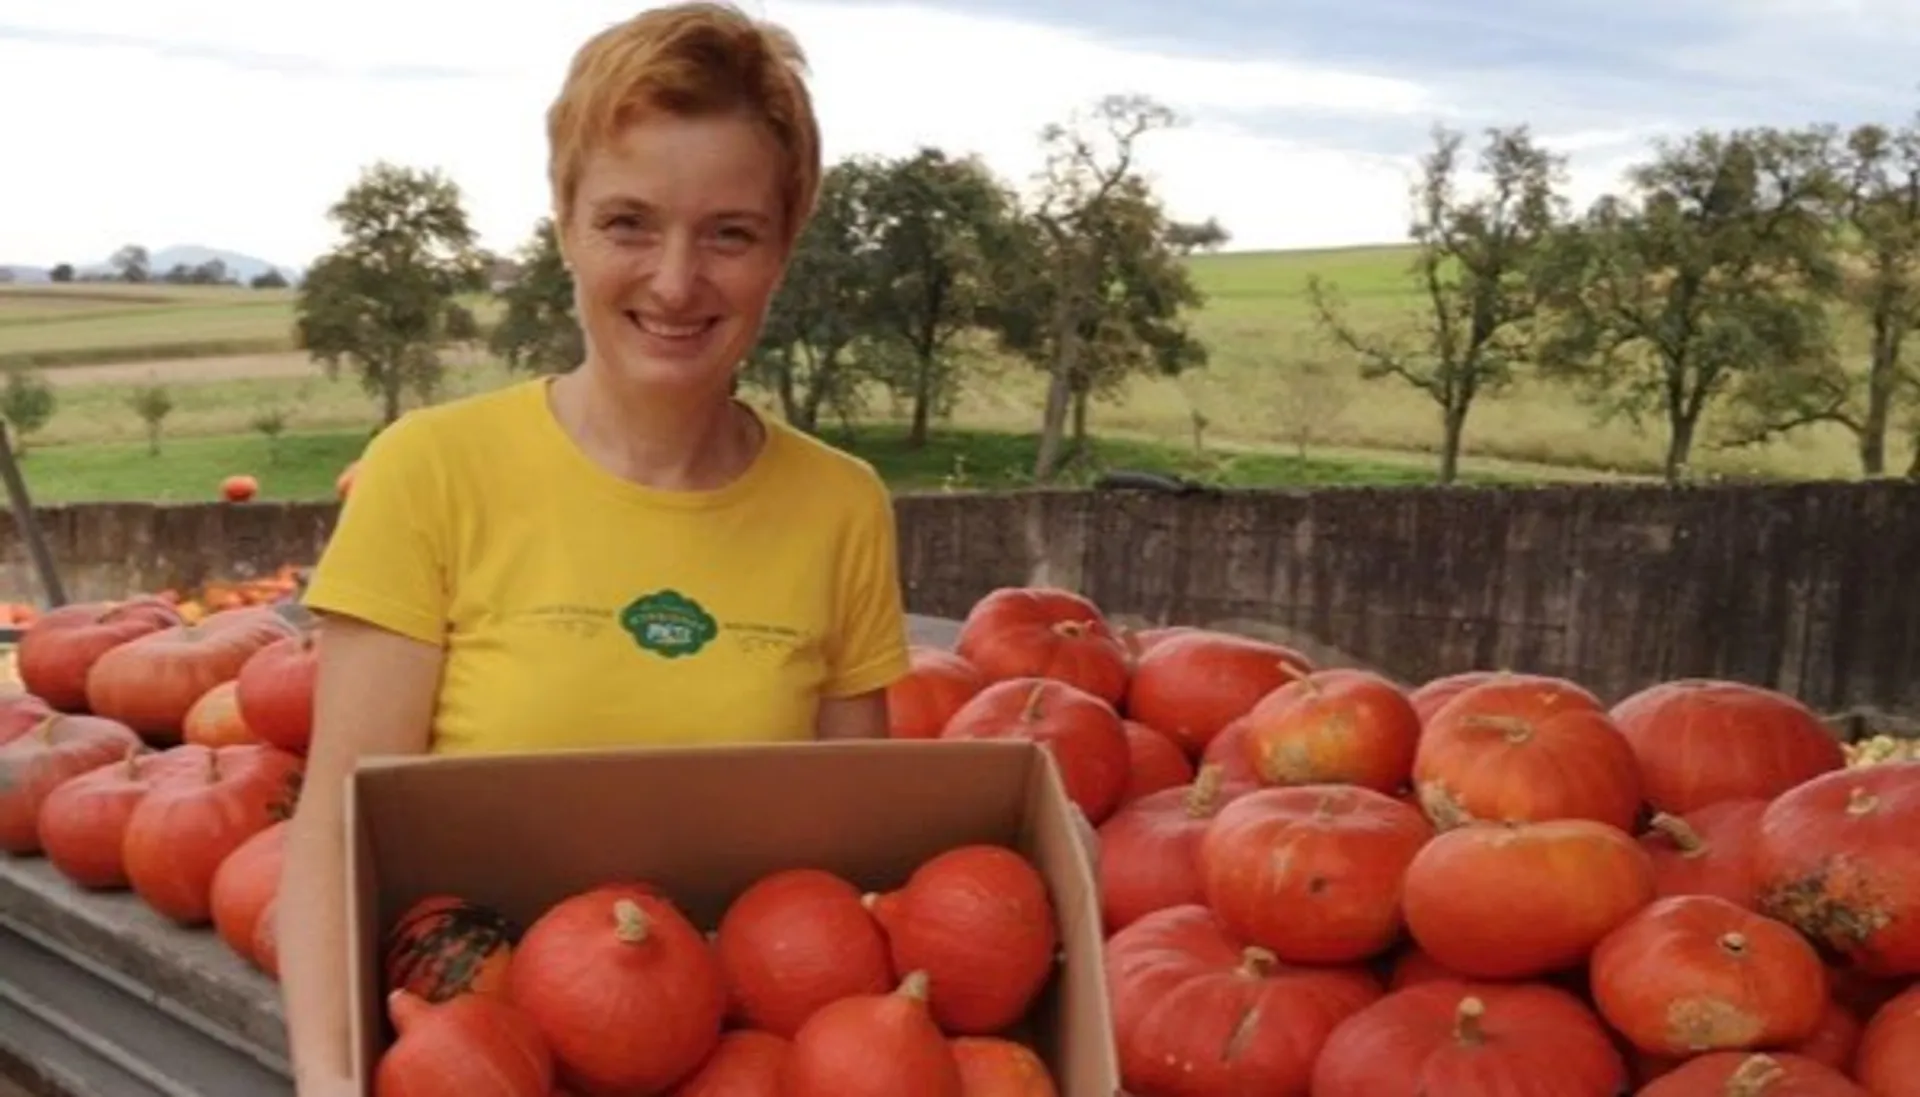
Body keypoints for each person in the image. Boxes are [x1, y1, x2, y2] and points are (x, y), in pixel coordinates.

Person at [275, 4, 911, 1092]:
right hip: (483, 1058)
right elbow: (337, 830)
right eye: (628, 222)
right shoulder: (429, 471)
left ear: (782, 248)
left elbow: (848, 861)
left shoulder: (841, 506)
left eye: (730, 232)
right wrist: (333, 1081)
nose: (675, 281)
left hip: (742, 1063)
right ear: (564, 223)